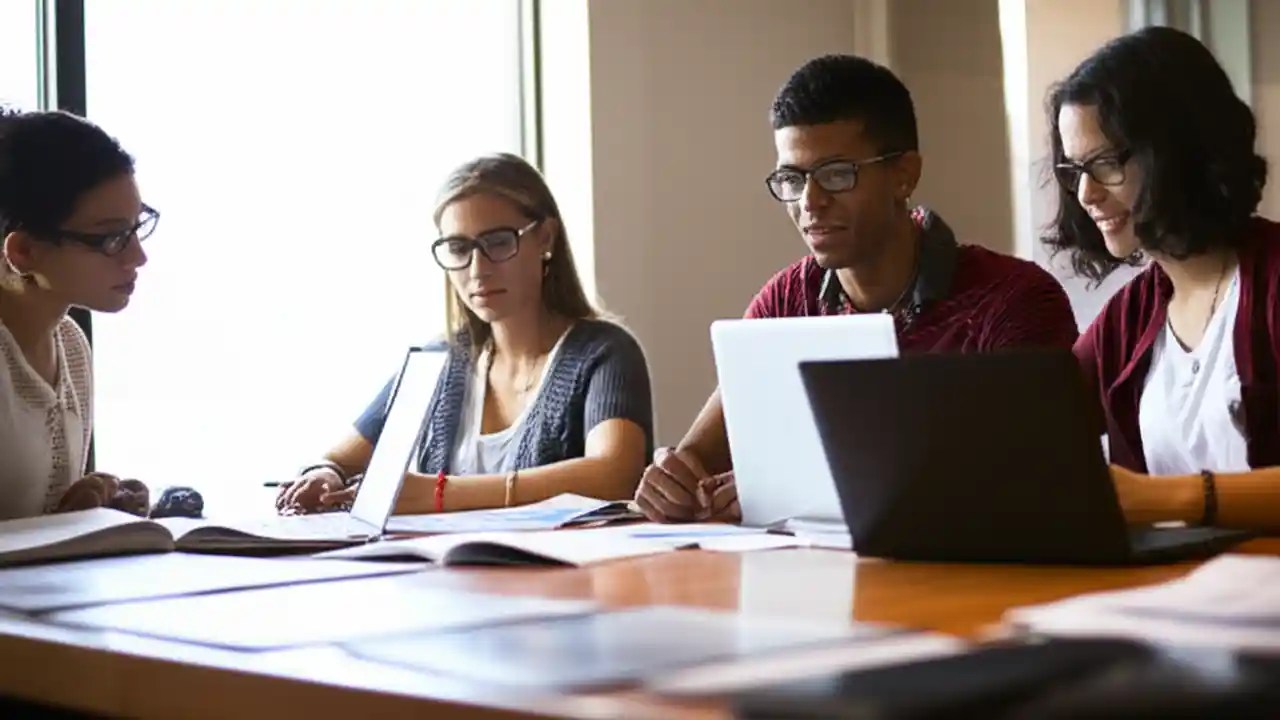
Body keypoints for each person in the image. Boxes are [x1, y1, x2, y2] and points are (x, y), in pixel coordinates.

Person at [634, 54, 1079, 524]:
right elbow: (697, 460)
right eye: (792, 179)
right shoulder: (787, 302)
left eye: (836, 174)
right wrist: (672, 481)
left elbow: (1037, 479)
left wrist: (796, 491)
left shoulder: (1013, 301)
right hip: (807, 568)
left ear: (904, 175)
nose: (810, 202)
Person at [277, 153, 653, 515]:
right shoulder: (439, 360)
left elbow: (614, 474)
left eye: (499, 242)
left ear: (546, 238)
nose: (477, 270)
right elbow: (338, 460)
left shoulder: (604, 353)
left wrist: (441, 493)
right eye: (458, 248)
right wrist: (323, 474)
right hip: (443, 561)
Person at [1047, 27, 1280, 534]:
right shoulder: (1127, 319)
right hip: (1179, 579)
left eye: (1106, 163)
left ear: (1178, 152)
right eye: (1075, 169)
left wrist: (1166, 498)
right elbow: (1030, 424)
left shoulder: (1271, 283)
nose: (1085, 194)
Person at [0, 108, 155, 520]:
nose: (138, 256)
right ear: (24, 251)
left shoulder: (69, 344)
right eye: (111, 238)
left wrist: (82, 507)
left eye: (136, 228)